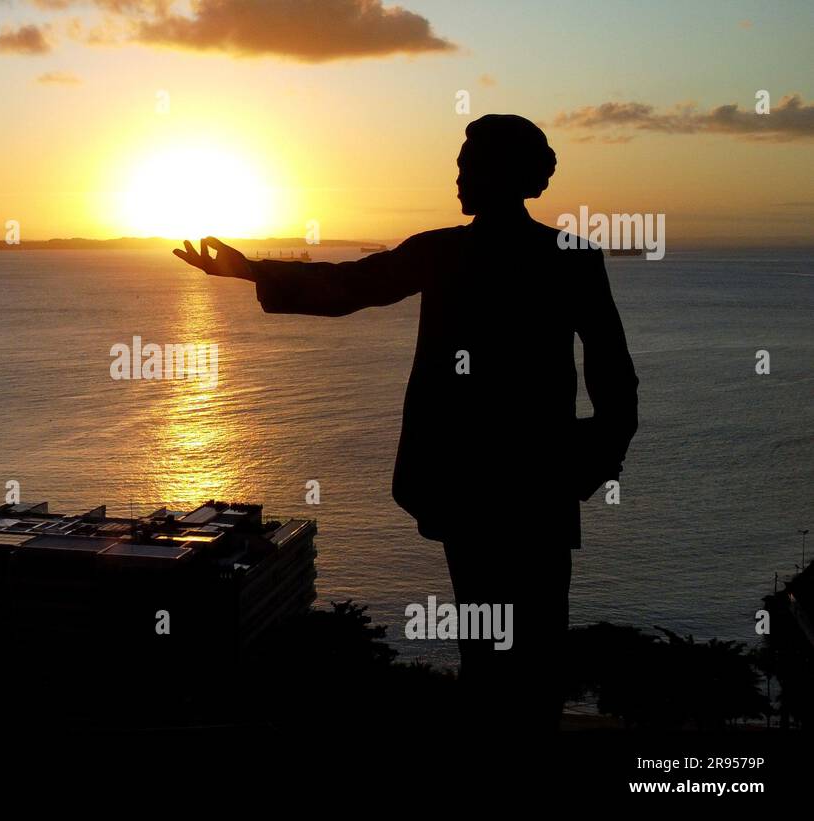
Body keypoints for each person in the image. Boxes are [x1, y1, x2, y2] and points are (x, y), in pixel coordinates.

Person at [173, 114, 639, 731]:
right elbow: (350, 285)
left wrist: (588, 462)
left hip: (517, 486)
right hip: (494, 487)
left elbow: (613, 373)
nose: (459, 175)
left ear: (505, 173)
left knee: (520, 651)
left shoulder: (542, 257)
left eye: (469, 165)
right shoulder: (456, 252)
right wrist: (254, 271)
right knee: (502, 650)